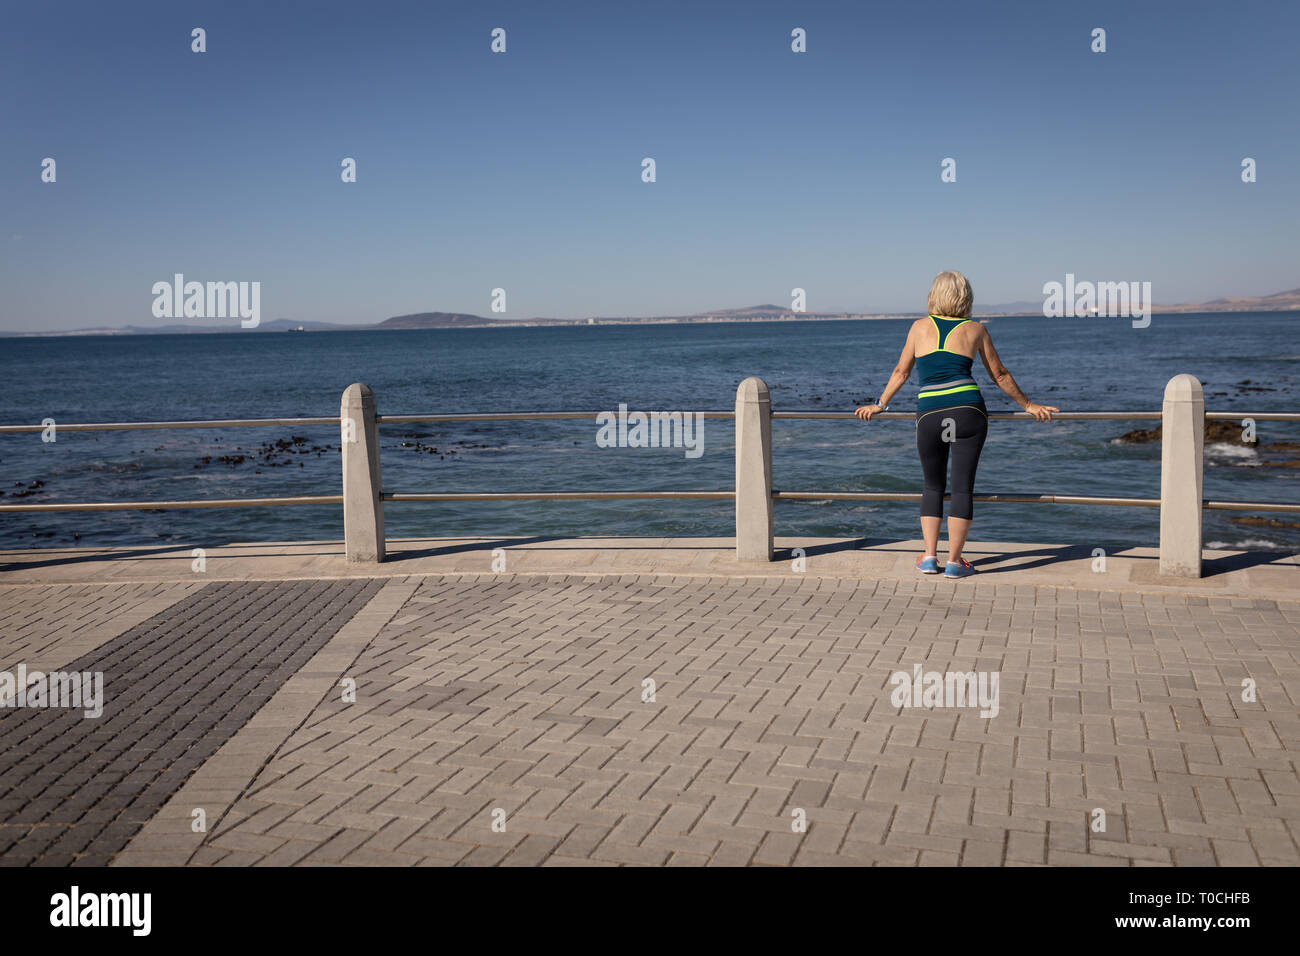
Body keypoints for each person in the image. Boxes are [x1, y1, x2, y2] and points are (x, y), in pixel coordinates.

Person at [854, 271, 1058, 578]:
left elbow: (901, 371)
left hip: (930, 415)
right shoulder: (976, 329)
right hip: (967, 412)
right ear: (966, 297)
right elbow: (999, 374)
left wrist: (880, 404)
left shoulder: (918, 327)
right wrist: (1028, 405)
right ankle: (955, 562)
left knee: (932, 485)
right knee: (962, 487)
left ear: (933, 295)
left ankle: (928, 557)